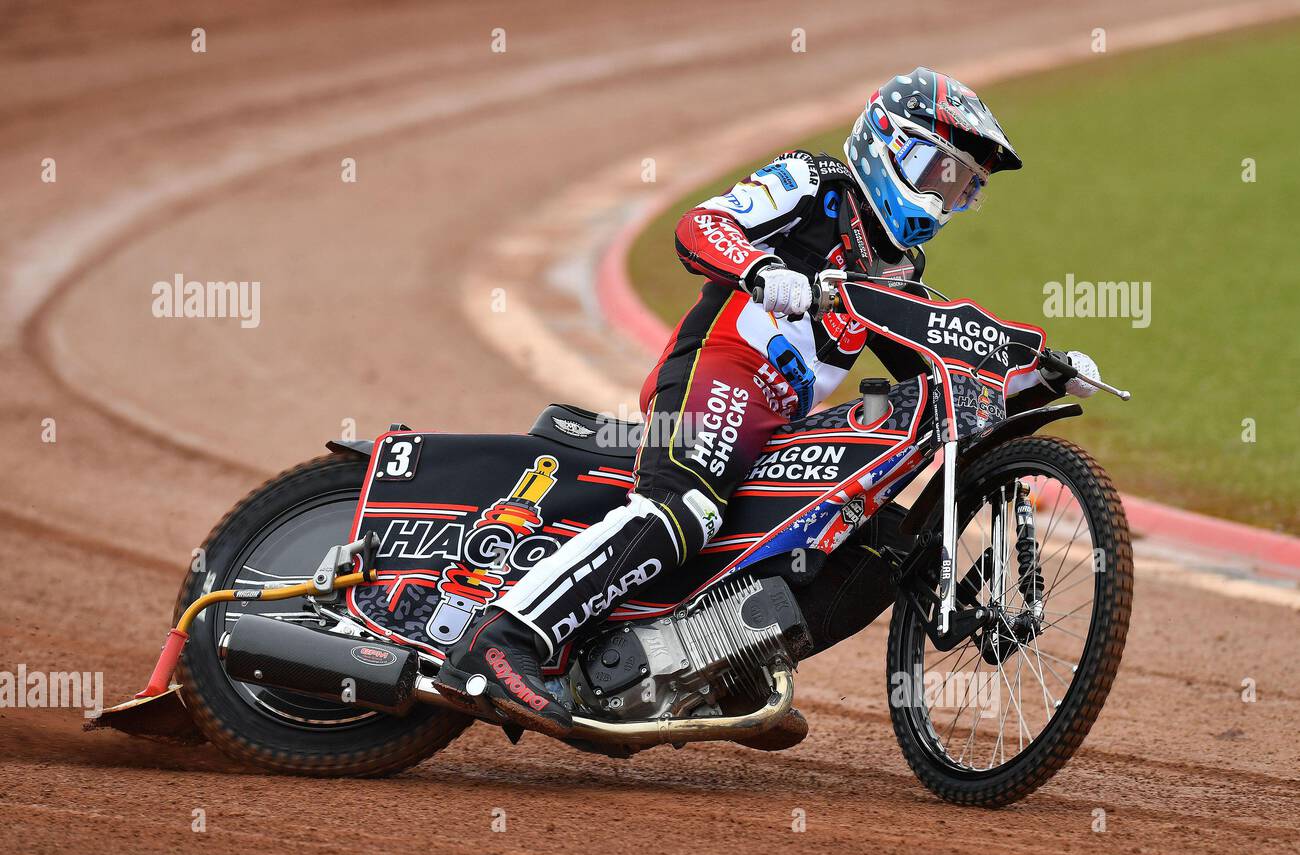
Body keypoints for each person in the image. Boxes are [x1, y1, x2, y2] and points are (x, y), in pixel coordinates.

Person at [434, 67, 1100, 738]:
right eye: (936, 170)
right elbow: (702, 225)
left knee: (875, 546)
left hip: (779, 422)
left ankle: (715, 670)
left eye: (961, 188)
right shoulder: (810, 184)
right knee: (686, 506)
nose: (943, 196)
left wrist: (1038, 374)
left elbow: (931, 362)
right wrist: (759, 269)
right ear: (885, 144)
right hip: (718, 372)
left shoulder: (899, 270)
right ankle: (499, 641)